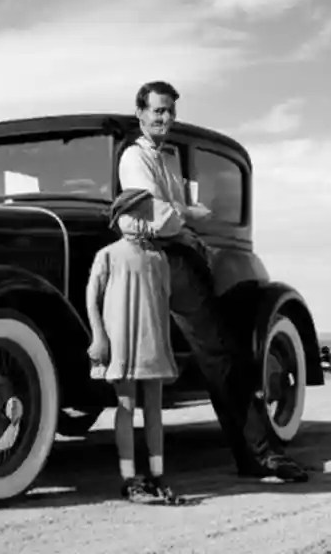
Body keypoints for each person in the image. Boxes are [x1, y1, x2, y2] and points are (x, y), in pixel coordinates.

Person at [116, 80, 310, 483]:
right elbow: (158, 216)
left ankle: (258, 453)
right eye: (157, 110)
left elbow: (169, 212)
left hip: (179, 254)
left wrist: (179, 217)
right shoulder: (135, 159)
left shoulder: (166, 160)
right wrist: (187, 217)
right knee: (220, 354)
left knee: (225, 354)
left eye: (169, 111)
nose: (165, 118)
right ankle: (258, 456)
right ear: (140, 113)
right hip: (163, 258)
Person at [86, 187, 184, 505]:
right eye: (136, 215)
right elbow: (93, 298)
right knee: (126, 406)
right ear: (120, 219)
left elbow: (164, 301)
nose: (142, 222)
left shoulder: (159, 258)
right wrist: (99, 336)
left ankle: (158, 473)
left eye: (146, 215)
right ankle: (129, 477)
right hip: (122, 343)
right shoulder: (109, 255)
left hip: (152, 342)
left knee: (153, 408)